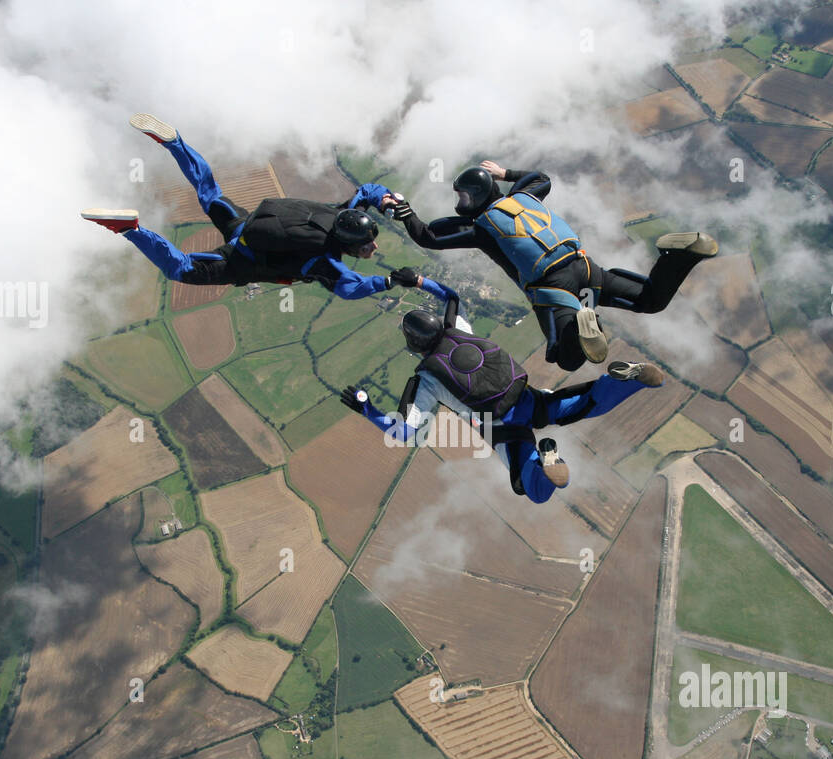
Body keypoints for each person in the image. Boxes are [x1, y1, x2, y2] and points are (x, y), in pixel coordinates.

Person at [340, 270, 666, 503]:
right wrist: (420, 281)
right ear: (438, 324)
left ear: (413, 344)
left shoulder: (426, 380)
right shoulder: (460, 328)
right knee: (585, 403)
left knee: (534, 491)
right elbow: (452, 296)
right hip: (527, 397)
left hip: (502, 427)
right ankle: (627, 380)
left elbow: (405, 433)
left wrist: (365, 408)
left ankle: (546, 461)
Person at [392, 160, 718, 370]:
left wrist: (406, 213)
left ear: (477, 197)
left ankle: (582, 327)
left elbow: (429, 237)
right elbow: (542, 177)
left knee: (566, 358)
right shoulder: (525, 196)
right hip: (585, 267)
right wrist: (505, 174)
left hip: (553, 288)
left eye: (463, 197)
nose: (461, 204)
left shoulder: (483, 229)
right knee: (650, 299)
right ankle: (679, 258)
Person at [81, 113, 402, 300]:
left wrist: (384, 197)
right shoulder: (324, 260)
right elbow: (350, 288)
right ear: (347, 242)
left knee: (209, 192)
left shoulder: (341, 214)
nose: (373, 246)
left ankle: (175, 143)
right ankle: (129, 229)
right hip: (240, 260)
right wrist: (387, 282)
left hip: (246, 225)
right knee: (180, 268)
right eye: (366, 244)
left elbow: (367, 191)